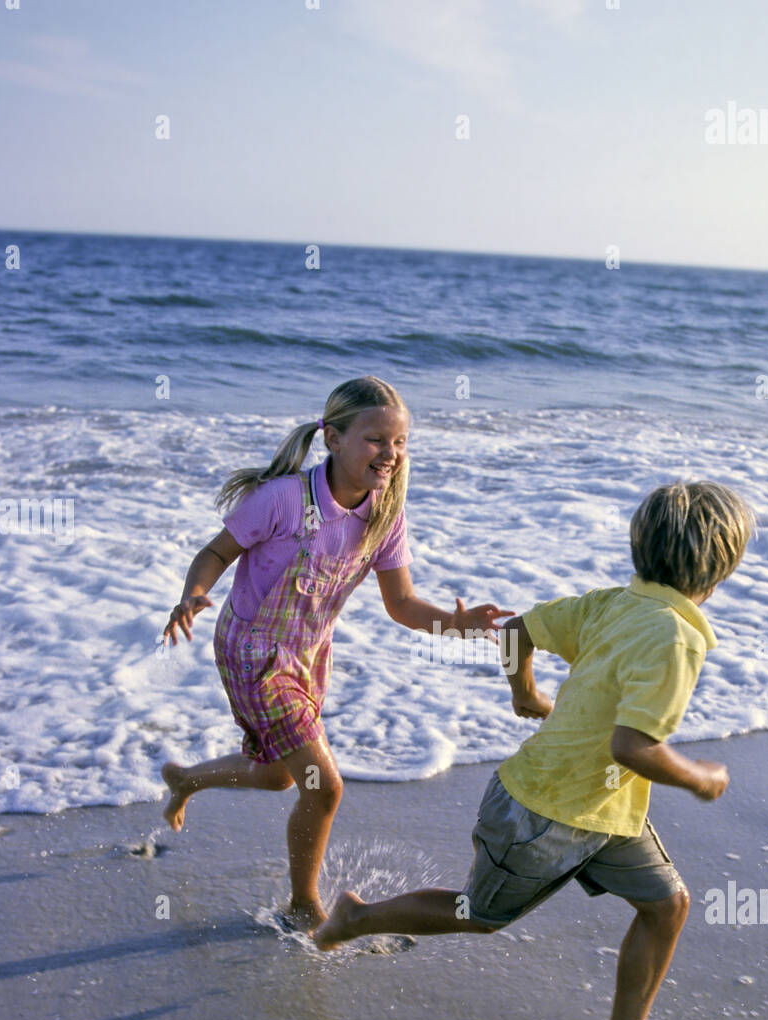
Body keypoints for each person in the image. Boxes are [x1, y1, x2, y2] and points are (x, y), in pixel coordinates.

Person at [314, 480, 755, 1020]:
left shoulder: (611, 603)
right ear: (721, 566)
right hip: (540, 813)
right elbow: (634, 746)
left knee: (666, 905)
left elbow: (518, 631)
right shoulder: (675, 639)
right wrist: (701, 778)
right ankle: (358, 918)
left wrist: (525, 694)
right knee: (479, 914)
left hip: (607, 811)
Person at [160, 375, 513, 931]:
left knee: (280, 776)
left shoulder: (383, 517)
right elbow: (215, 551)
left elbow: (401, 604)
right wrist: (193, 594)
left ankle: (188, 780)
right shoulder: (282, 499)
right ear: (333, 439)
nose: (390, 454)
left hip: (306, 655)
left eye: (399, 443)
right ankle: (302, 903)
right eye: (376, 440)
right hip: (251, 651)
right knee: (324, 787)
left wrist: (456, 624)